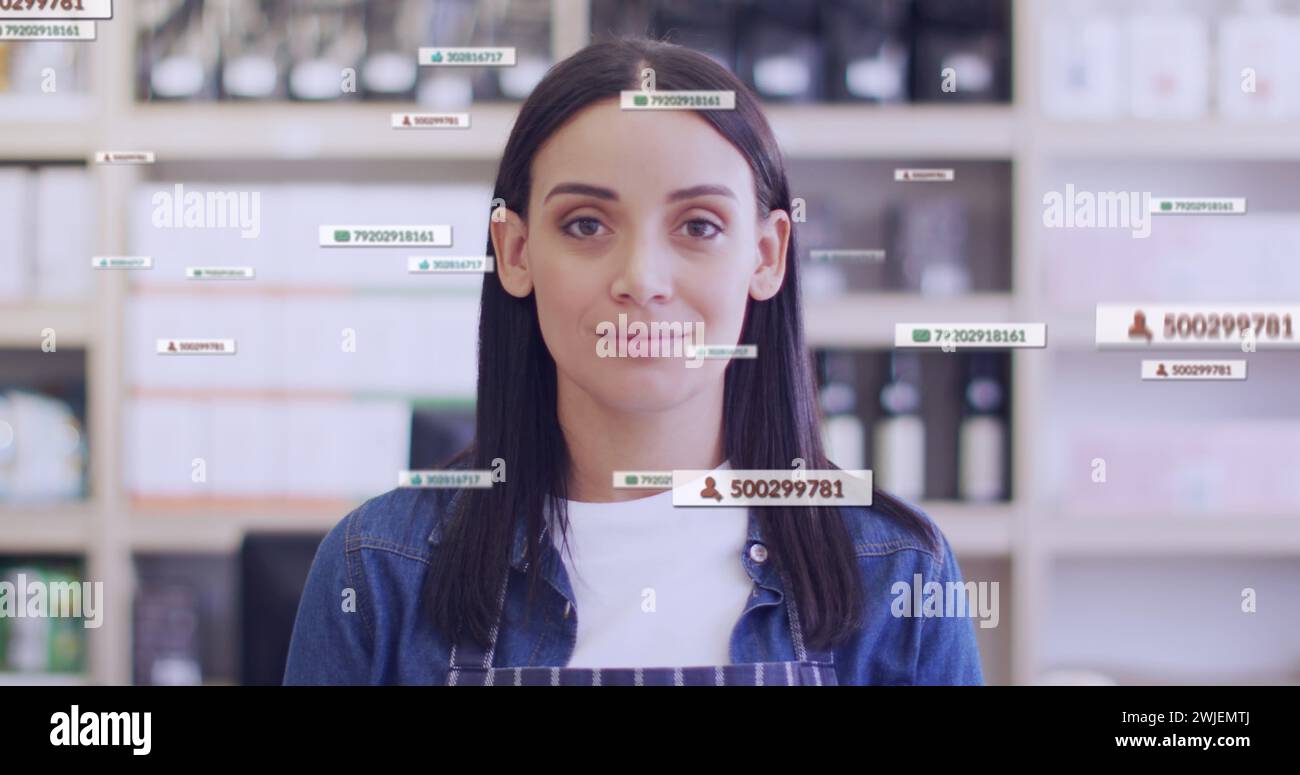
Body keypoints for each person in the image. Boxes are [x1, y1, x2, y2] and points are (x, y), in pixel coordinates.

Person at [284, 36, 983, 686]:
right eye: (586, 224)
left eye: (699, 226)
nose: (642, 277)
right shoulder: (376, 571)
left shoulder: (901, 574)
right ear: (516, 252)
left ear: (766, 255)